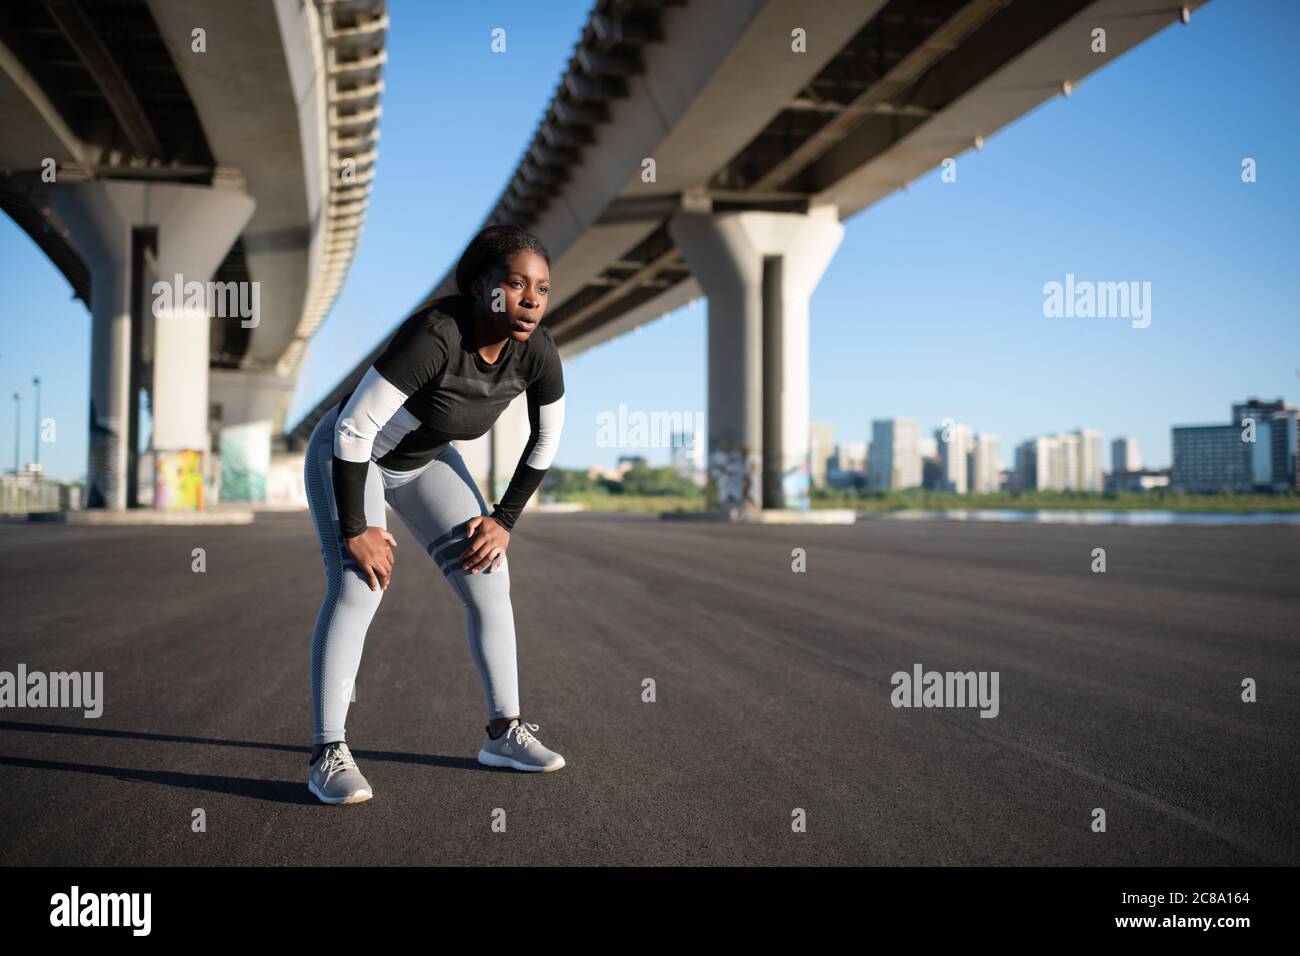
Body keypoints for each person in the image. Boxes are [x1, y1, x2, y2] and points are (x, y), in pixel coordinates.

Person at [302, 225, 566, 804]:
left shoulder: (537, 353)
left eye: (541, 289)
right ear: (480, 287)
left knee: (488, 574)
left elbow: (545, 441)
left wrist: (503, 520)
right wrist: (356, 528)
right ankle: (328, 753)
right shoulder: (436, 335)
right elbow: (353, 428)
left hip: (424, 464)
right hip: (349, 454)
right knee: (359, 584)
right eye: (515, 284)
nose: (530, 299)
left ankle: (503, 733)